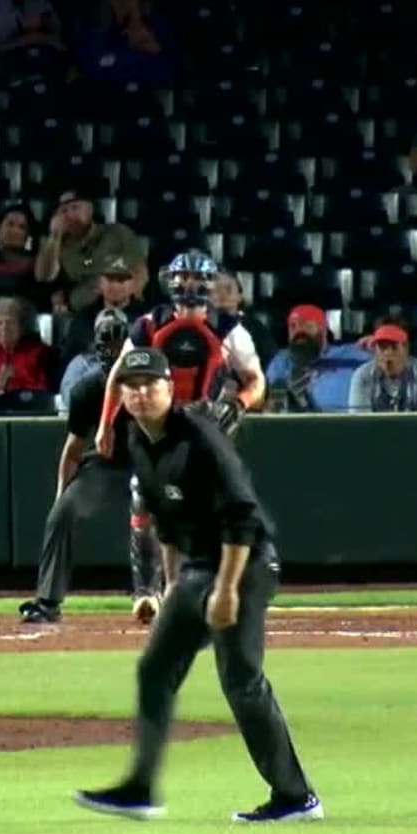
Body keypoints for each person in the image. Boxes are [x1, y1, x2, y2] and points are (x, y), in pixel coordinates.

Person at [73, 346, 322, 825]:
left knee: (241, 681)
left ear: (170, 389)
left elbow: (243, 520)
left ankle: (296, 797)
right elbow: (166, 526)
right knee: (155, 670)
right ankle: (140, 789)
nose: (142, 393)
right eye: (133, 386)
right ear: (121, 396)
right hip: (199, 568)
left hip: (244, 565)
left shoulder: (201, 438)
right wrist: (172, 588)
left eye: (151, 384)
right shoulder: (137, 440)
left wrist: (227, 590)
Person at [92, 250, 267, 622]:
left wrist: (239, 403)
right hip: (156, 418)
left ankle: (219, 584)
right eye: (181, 279)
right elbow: (120, 375)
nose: (188, 287)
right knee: (146, 498)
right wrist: (107, 423)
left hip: (207, 419)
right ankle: (148, 591)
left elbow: (256, 380)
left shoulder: (228, 328)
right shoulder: (147, 325)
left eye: (195, 280)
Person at [18, 308, 139, 624]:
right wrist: (61, 495)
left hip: (149, 463)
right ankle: (48, 600)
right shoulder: (88, 388)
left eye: (117, 342)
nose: (112, 350)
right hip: (106, 465)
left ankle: (179, 595)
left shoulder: (148, 381)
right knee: (63, 512)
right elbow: (73, 451)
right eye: (106, 342)